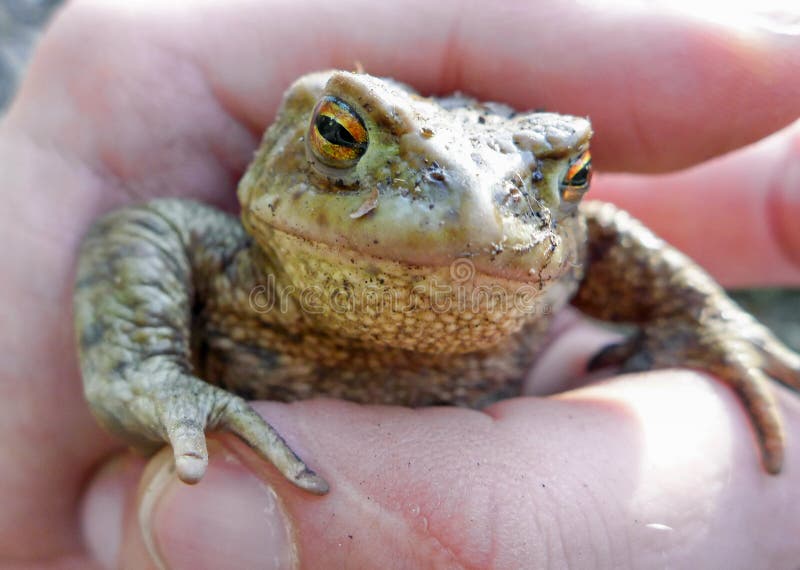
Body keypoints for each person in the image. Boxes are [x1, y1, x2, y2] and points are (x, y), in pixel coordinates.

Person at [1, 1, 799, 568]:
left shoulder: (570, 254)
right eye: (342, 138)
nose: (467, 213)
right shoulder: (240, 261)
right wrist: (146, 374)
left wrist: (700, 317)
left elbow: (601, 240)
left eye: (567, 179)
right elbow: (145, 229)